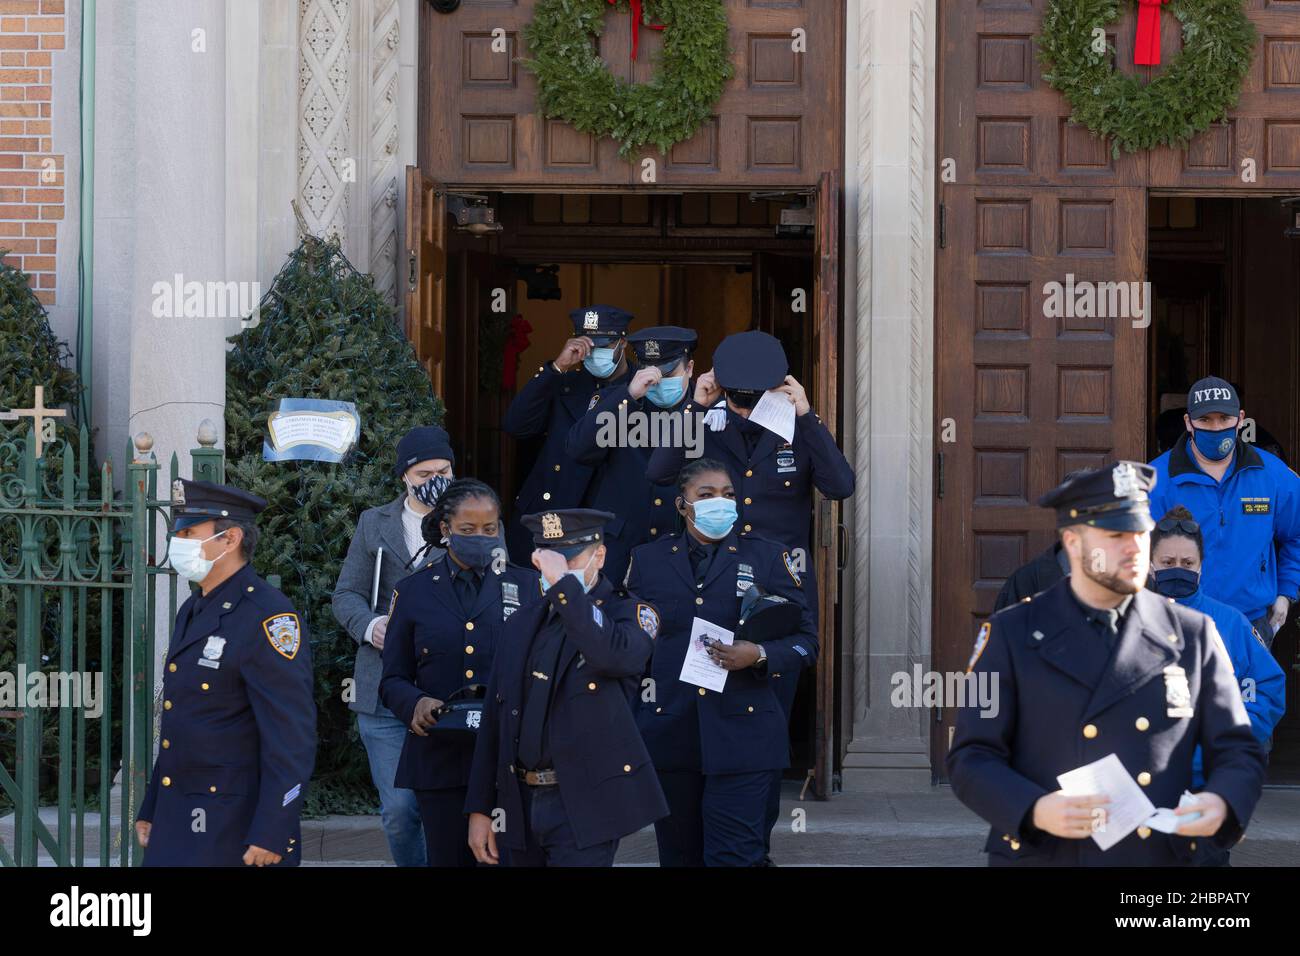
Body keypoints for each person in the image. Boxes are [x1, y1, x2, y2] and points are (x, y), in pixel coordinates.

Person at [948, 462, 1266, 866]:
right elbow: (971, 756)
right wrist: (1034, 809)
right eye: (1116, 535)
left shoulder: (1193, 635)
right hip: (1050, 855)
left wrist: (1223, 803)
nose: (1134, 548)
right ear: (1073, 542)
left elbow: (1237, 748)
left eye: (1140, 532)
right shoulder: (1009, 635)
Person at [646, 329, 853, 859]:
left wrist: (806, 414)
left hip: (771, 598)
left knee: (761, 730)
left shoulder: (792, 429)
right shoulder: (708, 423)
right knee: (693, 722)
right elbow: (659, 471)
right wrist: (697, 405)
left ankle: (749, 847)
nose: (741, 405)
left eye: (750, 395)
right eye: (735, 394)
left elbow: (840, 484)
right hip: (703, 587)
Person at [625, 458, 817, 866]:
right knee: (679, 857)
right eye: (706, 495)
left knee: (737, 856)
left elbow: (805, 642)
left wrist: (759, 654)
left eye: (728, 495)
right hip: (671, 731)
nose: (721, 503)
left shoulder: (769, 558)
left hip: (744, 735)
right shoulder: (647, 560)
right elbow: (630, 645)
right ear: (682, 505)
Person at [464, 509, 668, 866]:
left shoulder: (630, 613)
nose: (554, 569)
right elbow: (495, 719)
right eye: (547, 558)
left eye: (568, 559)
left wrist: (564, 587)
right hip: (520, 799)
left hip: (585, 802)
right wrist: (481, 807)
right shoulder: (522, 622)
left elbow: (613, 657)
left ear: (599, 555)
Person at [135, 479, 317, 867]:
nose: (177, 542)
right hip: (179, 811)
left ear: (230, 538)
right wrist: (152, 805)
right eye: (177, 532)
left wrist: (274, 829)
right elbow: (181, 720)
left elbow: (291, 737)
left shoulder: (267, 616)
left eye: (188, 533)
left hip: (234, 822)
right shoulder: (196, 606)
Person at [378, 478, 543, 866]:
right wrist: (415, 702)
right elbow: (392, 679)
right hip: (441, 758)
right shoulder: (414, 591)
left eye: (490, 529)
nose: (481, 538)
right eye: (468, 530)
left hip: (511, 756)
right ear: (446, 529)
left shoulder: (527, 585)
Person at [331, 424, 455, 866]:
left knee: (444, 809)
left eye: (444, 470)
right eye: (424, 473)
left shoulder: (470, 519)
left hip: (447, 691)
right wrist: (371, 626)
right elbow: (346, 594)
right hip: (383, 692)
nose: (435, 480)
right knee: (400, 811)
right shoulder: (373, 523)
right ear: (404, 475)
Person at [1147, 504, 1286, 865]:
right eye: (1167, 562)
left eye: (1188, 563)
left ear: (1201, 566)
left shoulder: (1231, 625)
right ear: (1150, 565)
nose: (1178, 569)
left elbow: (1267, 690)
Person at [1148, 376, 1300, 647]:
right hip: (1178, 624)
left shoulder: (1273, 475)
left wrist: (1286, 594)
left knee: (1251, 691)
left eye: (1224, 418)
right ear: (1188, 422)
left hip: (1251, 624)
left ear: (1240, 419)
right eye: (1205, 420)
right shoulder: (1157, 479)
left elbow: (1296, 535)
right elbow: (1134, 549)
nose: (1216, 427)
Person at [565, 325, 698, 584]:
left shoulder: (705, 410)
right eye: (651, 373)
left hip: (682, 547)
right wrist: (628, 396)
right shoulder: (618, 402)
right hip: (619, 549)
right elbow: (577, 450)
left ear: (690, 369)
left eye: (668, 373)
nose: (658, 382)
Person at [503, 304, 634, 563]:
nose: (595, 353)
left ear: (623, 343)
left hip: (606, 522)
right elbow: (515, 425)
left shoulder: (639, 389)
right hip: (549, 516)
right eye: (588, 346)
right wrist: (557, 367)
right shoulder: (563, 383)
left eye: (604, 346)